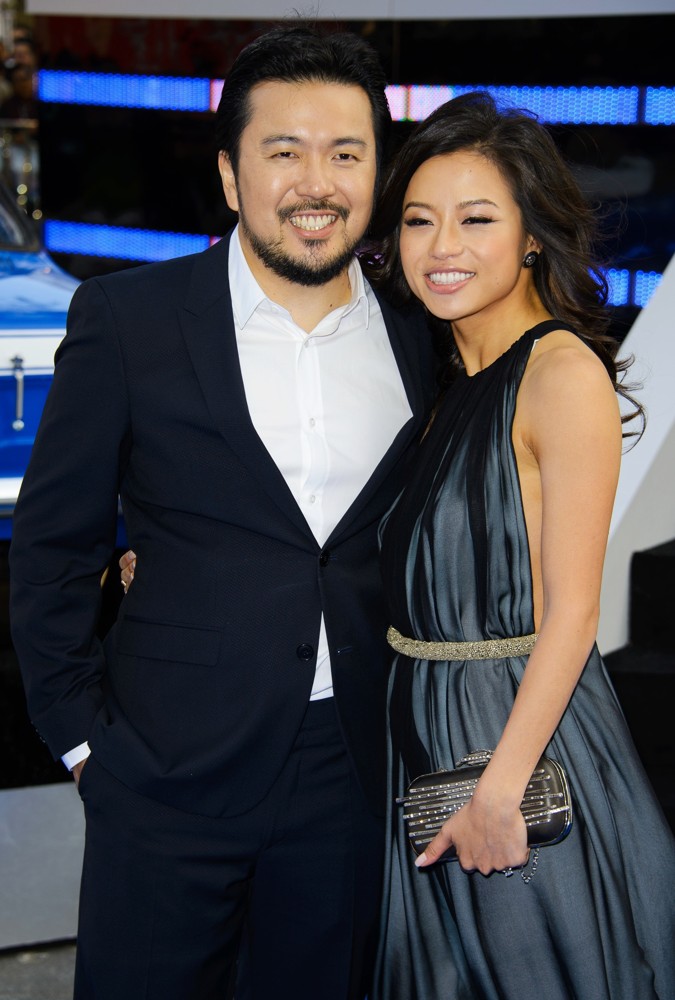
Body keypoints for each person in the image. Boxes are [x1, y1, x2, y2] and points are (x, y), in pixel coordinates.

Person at [9, 26, 434, 1000]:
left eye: (345, 152)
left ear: (377, 172)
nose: (314, 182)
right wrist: (84, 743)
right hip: (163, 767)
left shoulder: (420, 331)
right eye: (283, 151)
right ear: (232, 176)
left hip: (349, 771)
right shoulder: (130, 320)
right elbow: (55, 546)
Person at [361, 92, 675, 999]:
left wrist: (500, 790)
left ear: (531, 235)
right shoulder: (447, 378)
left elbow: (573, 610)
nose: (441, 246)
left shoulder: (558, 372)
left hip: (511, 742)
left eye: (475, 218)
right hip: (422, 733)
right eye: (418, 220)